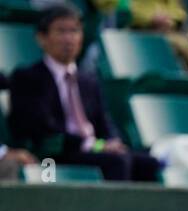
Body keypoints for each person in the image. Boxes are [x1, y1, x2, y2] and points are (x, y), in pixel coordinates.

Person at [8, 6, 163, 182]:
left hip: (93, 150)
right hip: (54, 155)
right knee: (117, 162)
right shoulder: (28, 77)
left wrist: (112, 141)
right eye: (61, 31)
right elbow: (41, 128)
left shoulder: (88, 81)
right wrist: (93, 145)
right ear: (41, 38)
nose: (69, 39)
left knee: (149, 163)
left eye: (74, 31)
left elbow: (104, 122)